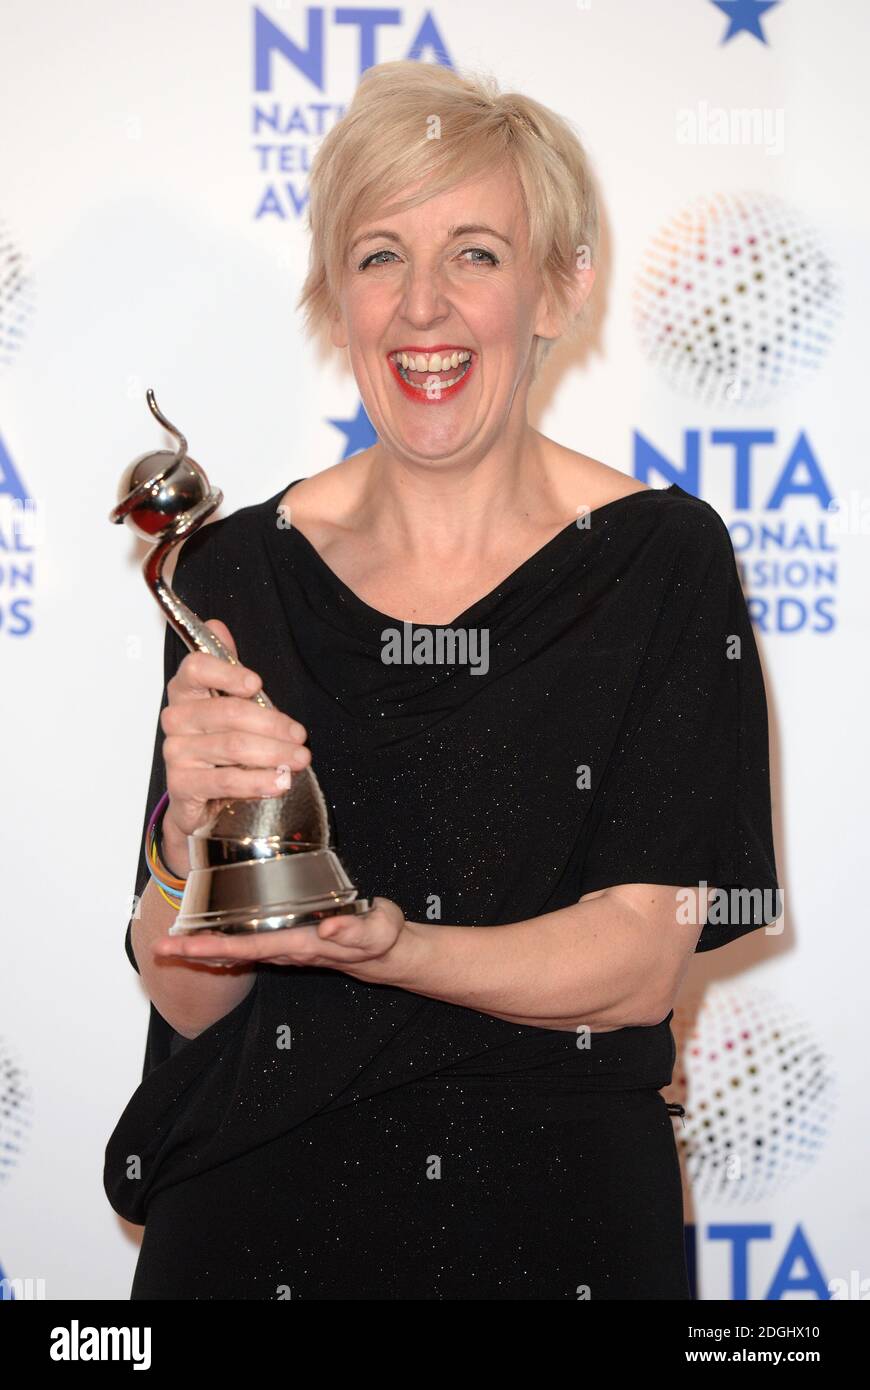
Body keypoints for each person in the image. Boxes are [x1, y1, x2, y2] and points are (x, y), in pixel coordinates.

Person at [104, 59, 780, 1300]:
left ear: (557, 288)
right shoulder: (232, 570)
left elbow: (638, 964)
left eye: (475, 252)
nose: (423, 309)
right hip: (253, 1222)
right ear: (334, 295)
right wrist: (178, 846)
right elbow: (193, 1008)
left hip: (560, 1225)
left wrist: (390, 948)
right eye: (379, 256)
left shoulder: (661, 561)